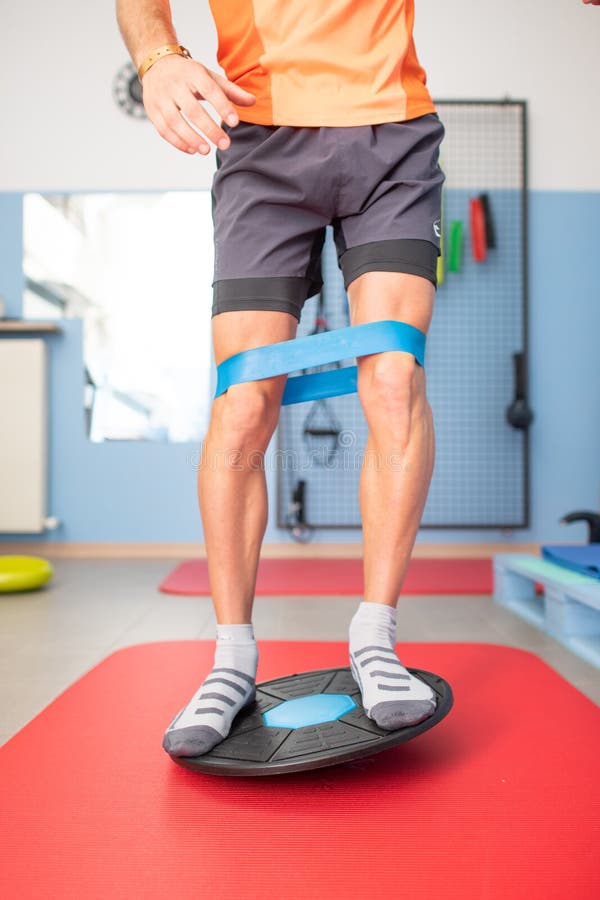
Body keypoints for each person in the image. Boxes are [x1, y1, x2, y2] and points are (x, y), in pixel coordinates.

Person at [116, 0, 597, 759]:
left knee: (394, 380)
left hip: (393, 132)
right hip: (257, 133)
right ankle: (232, 656)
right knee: (242, 405)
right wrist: (157, 56)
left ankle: (375, 635)